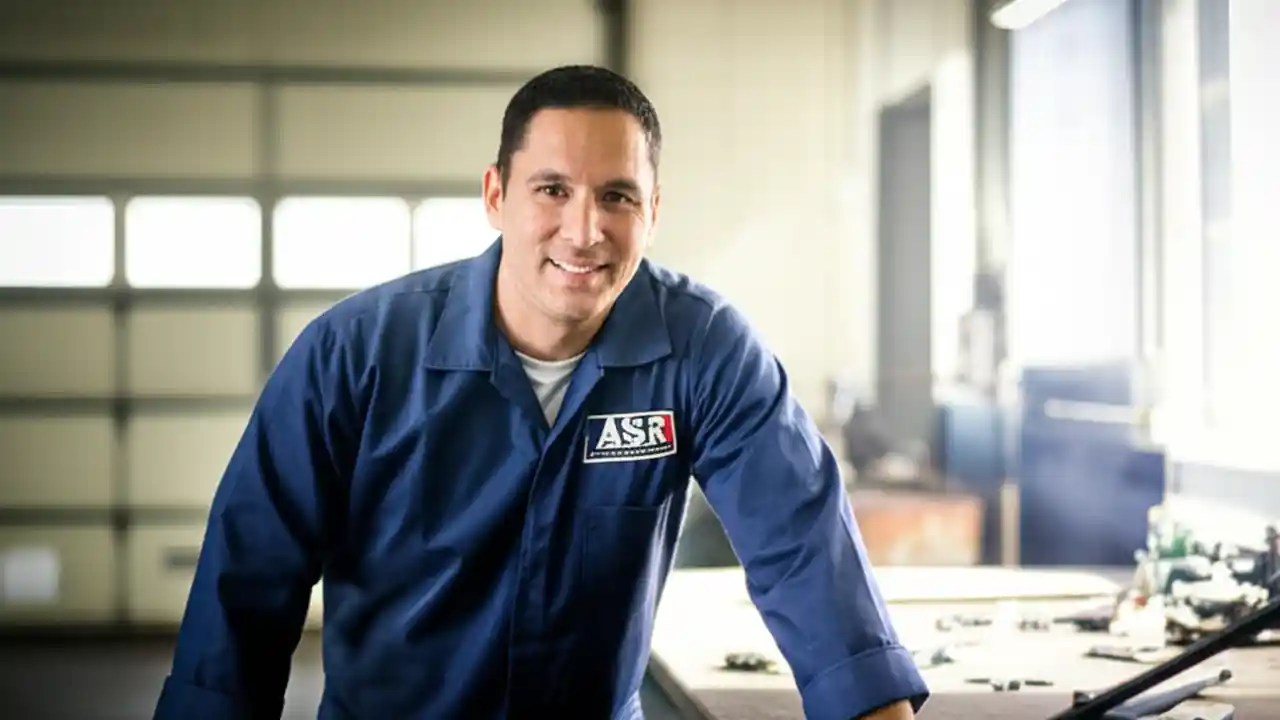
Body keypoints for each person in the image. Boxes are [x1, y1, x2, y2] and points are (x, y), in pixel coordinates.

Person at [153, 64, 928, 720]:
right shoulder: (355, 355)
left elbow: (802, 545)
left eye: (618, 196)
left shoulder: (703, 351)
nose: (584, 230)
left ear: (653, 211)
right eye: (552, 189)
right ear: (496, 195)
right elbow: (247, 583)